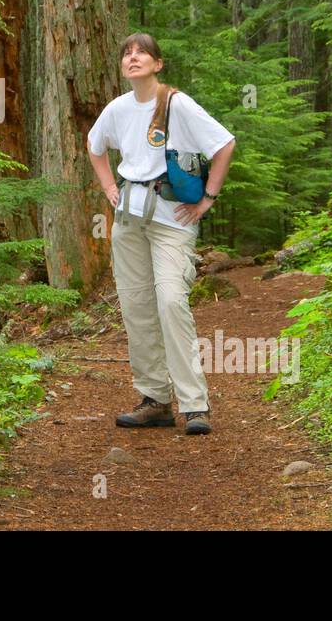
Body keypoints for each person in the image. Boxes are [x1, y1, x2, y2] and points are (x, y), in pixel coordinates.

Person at [86, 32, 236, 435]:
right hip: (129, 219)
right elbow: (94, 145)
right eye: (126, 54)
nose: (133, 58)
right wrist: (108, 188)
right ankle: (155, 400)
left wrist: (207, 198)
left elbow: (224, 144)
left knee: (171, 301)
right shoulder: (116, 109)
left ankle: (194, 405)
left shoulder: (176, 104)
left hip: (172, 219)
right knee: (136, 307)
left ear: (158, 64)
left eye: (142, 53)